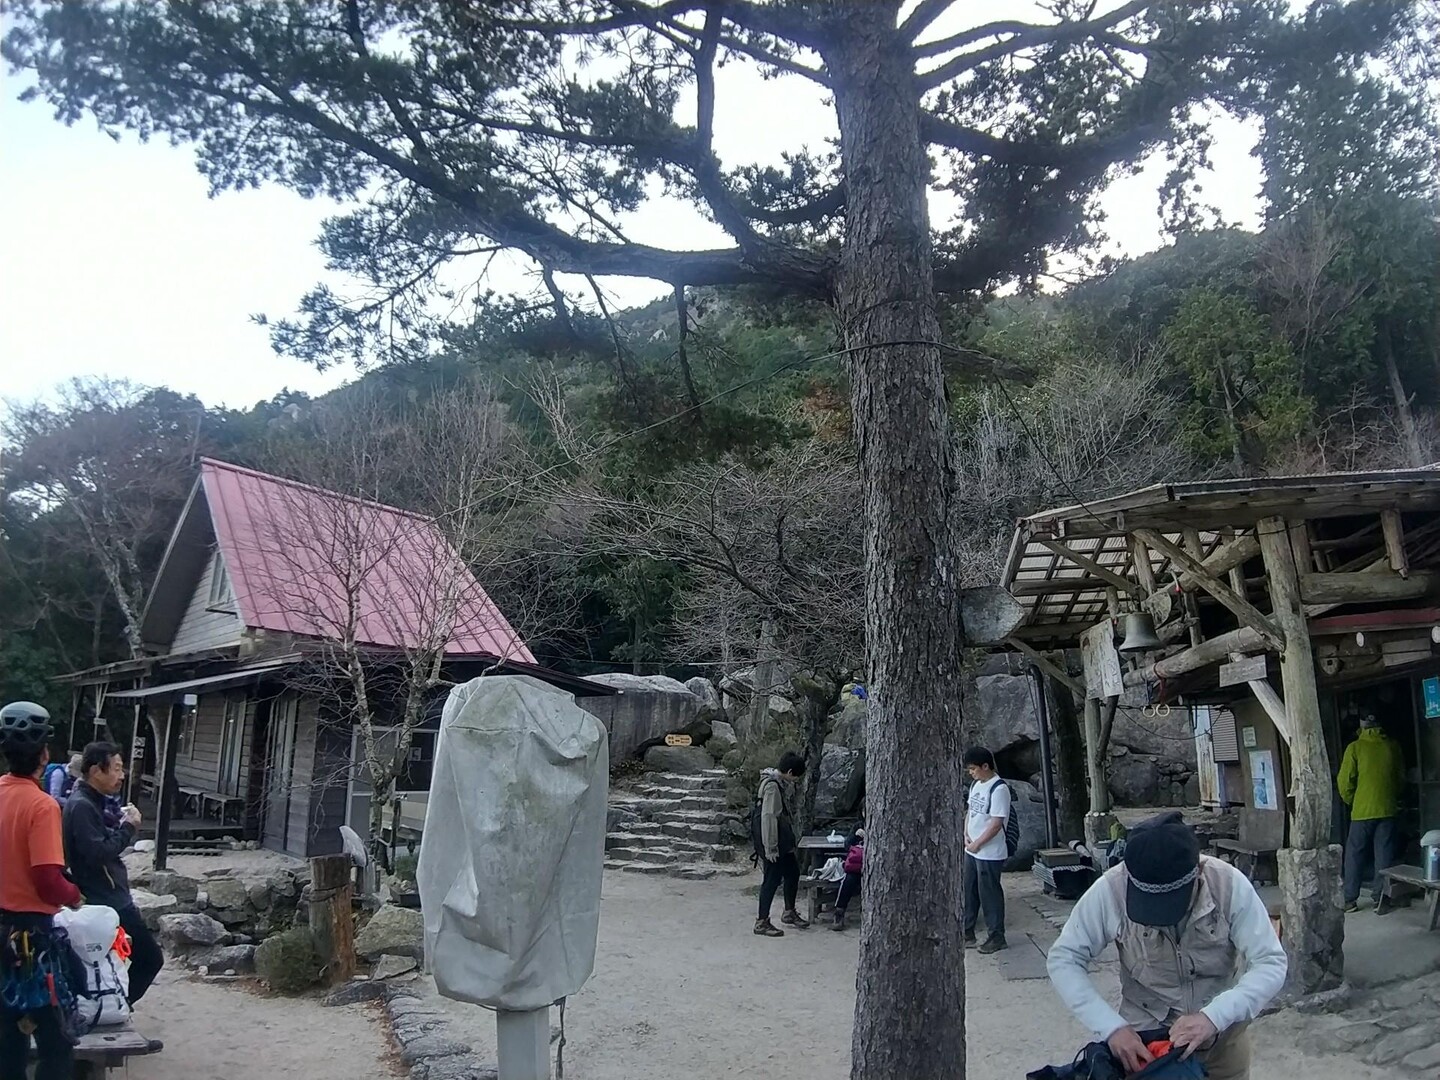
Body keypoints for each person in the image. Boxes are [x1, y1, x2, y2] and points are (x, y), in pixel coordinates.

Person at [1046, 811, 1286, 1080]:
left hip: (1221, 1044)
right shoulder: (1111, 889)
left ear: (1198, 872)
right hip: (1146, 1050)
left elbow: (1271, 962)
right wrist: (1111, 1028)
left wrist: (1214, 1017)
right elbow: (1064, 958)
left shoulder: (1229, 885)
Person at [0, 702, 82, 1080]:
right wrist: (74, 895)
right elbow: (48, 879)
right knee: (57, 1041)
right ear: (45, 754)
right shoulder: (41, 806)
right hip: (31, 938)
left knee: (8, 1039)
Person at [63, 741, 165, 1009]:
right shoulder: (82, 805)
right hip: (106, 897)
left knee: (105, 960)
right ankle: (117, 1007)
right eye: (117, 769)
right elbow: (98, 852)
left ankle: (110, 1008)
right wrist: (129, 828)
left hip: (106, 893)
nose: (122, 775)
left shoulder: (88, 801)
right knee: (150, 958)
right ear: (97, 770)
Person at [1337, 714, 1405, 913]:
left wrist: (1353, 801)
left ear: (1362, 726)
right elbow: (1399, 778)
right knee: (1383, 854)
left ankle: (1349, 899)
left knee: (1355, 855)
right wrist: (1391, 797)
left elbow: (1344, 782)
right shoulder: (1392, 746)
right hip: (1387, 808)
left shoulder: (1355, 748)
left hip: (1361, 812)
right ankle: (1380, 898)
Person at [754, 750, 808, 937]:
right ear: (791, 772)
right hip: (774, 842)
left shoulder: (777, 783)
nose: (796, 780)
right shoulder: (772, 787)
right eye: (797, 776)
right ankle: (762, 922)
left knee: (792, 872)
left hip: (782, 842)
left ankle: (789, 911)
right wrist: (771, 848)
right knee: (771, 880)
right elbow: (769, 817)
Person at [962, 746, 1010, 953]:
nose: (971, 773)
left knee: (989, 893)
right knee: (969, 890)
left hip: (989, 851)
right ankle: (966, 930)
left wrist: (978, 843)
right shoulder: (975, 785)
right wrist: (966, 834)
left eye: (973, 769)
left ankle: (996, 935)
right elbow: (971, 812)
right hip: (971, 849)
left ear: (985, 766)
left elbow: (996, 823)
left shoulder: (999, 789)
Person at [830, 824, 865, 932]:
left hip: (877, 866)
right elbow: (847, 845)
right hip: (857, 866)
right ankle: (839, 913)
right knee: (848, 881)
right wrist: (855, 836)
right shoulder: (858, 826)